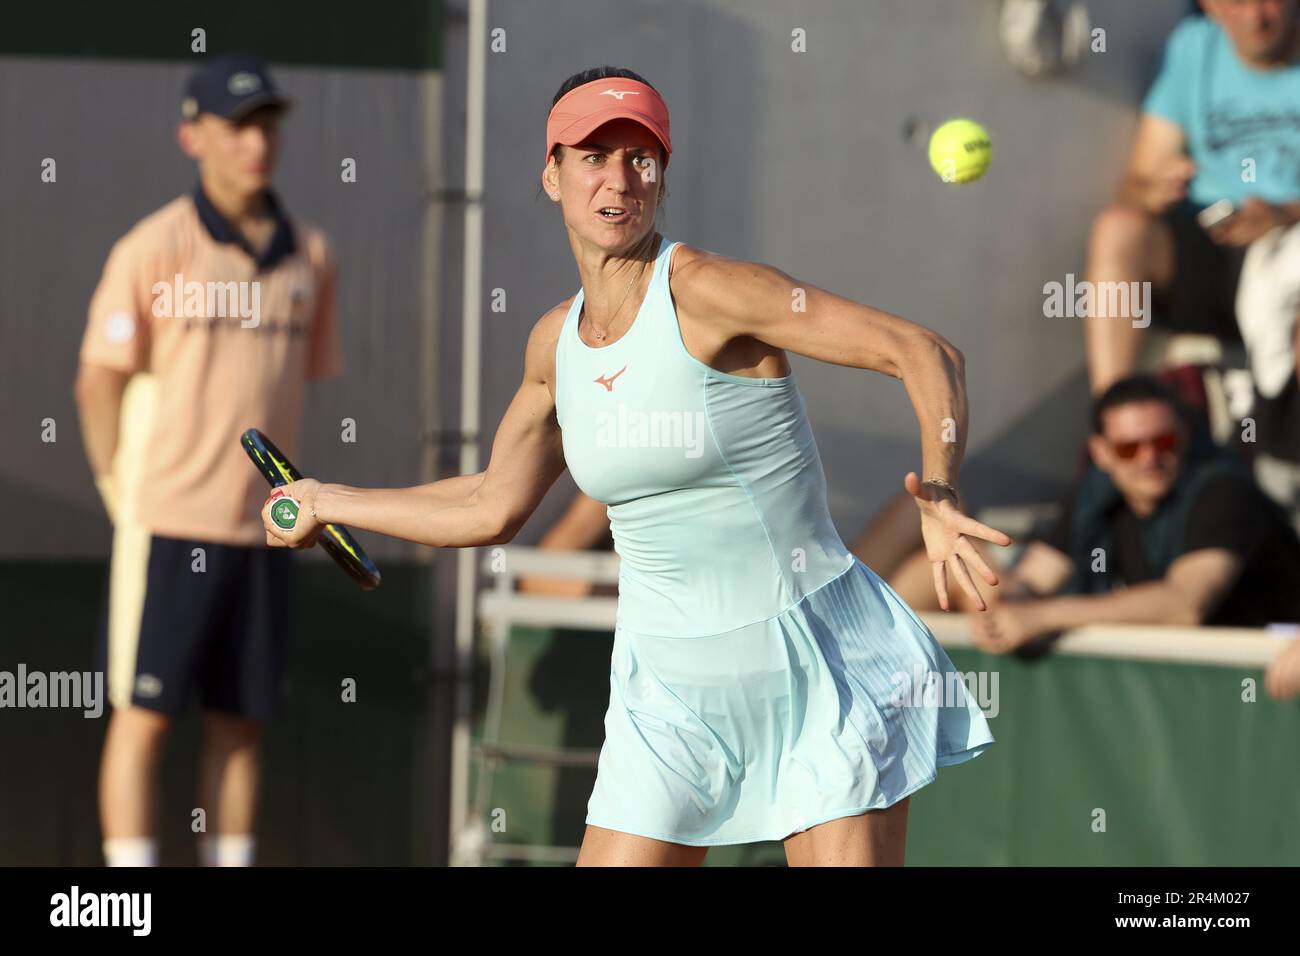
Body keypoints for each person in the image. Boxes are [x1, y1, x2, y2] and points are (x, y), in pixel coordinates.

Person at [262, 66, 1010, 867]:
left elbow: (923, 351)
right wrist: (327, 499)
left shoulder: (713, 292)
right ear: (552, 174)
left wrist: (939, 485)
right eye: (593, 156)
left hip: (815, 662)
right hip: (667, 689)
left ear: (661, 175)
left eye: (640, 158)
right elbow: (488, 505)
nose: (618, 179)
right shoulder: (554, 345)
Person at [73, 55, 342, 867]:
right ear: (193, 135)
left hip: (266, 533)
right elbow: (96, 382)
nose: (254, 142)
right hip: (164, 528)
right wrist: (122, 490)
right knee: (143, 716)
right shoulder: (153, 246)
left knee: (240, 721)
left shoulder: (313, 256)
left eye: (265, 124)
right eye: (235, 125)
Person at [970, 374, 1300, 654]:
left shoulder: (1224, 490)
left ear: (1184, 434)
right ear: (1100, 452)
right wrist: (1002, 607)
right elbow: (1034, 579)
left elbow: (1184, 604)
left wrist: (1041, 617)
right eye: (1129, 448)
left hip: (1263, 676)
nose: (1148, 458)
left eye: (1164, 441)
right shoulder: (1095, 494)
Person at [1082, 0, 1300, 396]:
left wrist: (1284, 214)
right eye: (1238, 2)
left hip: (1291, 246)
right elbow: (1135, 185)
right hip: (1209, 245)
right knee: (1118, 228)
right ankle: (1117, 421)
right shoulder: (1193, 48)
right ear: (1210, 6)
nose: (1256, 16)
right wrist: (1156, 190)